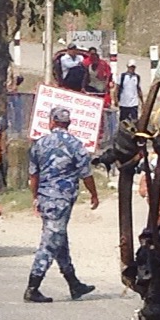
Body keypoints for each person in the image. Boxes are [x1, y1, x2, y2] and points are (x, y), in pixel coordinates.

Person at [26, 103, 99, 303]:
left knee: (59, 239)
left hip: (46, 198)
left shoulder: (39, 144)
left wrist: (35, 197)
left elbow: (33, 175)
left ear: (52, 122)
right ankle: (32, 287)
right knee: (50, 243)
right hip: (62, 200)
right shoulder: (76, 145)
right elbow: (86, 174)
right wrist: (94, 195)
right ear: (69, 123)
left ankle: (74, 283)